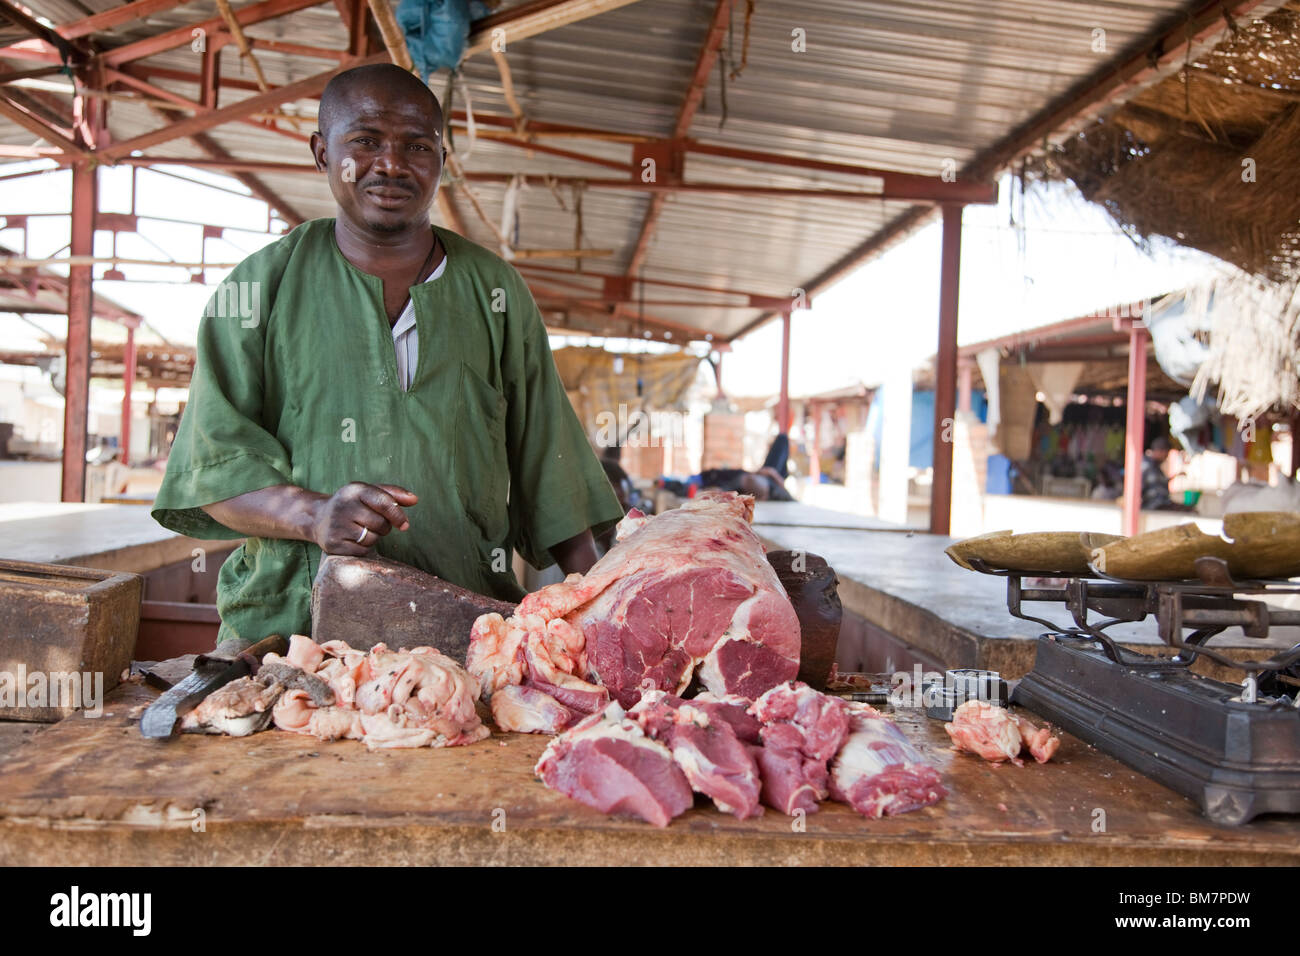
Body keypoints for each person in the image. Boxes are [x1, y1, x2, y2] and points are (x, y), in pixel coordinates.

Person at [152, 64, 624, 653]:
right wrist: (314, 514)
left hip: (467, 633)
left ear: (442, 162)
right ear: (322, 152)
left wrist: (611, 611)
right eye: (366, 141)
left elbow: (550, 467)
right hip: (289, 634)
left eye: (417, 146)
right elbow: (212, 469)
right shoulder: (260, 288)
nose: (393, 164)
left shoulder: (495, 291)